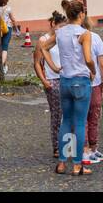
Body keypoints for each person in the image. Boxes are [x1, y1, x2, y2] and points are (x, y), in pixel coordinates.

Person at [53, 0, 96, 176]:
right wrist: (92, 71)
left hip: (65, 80)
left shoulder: (60, 32)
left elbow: (42, 46)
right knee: (79, 123)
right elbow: (87, 58)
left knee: (66, 121)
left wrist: (54, 66)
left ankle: (62, 163)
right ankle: (78, 164)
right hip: (81, 81)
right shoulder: (85, 33)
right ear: (81, 14)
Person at [33, 12, 66, 159]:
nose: (62, 29)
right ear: (53, 24)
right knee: (57, 115)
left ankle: (68, 144)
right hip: (53, 80)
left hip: (67, 78)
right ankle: (57, 146)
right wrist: (44, 81)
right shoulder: (43, 40)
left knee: (69, 115)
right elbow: (37, 63)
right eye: (60, 26)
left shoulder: (64, 38)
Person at [83, 11, 103, 164]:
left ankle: (84, 149)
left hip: (79, 82)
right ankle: (93, 148)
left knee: (82, 118)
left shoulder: (74, 38)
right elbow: (102, 64)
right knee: (93, 117)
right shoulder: (95, 38)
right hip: (94, 83)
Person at [0, 0, 16, 75]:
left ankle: (4, 65)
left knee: (0, 47)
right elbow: (13, 20)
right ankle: (1, 65)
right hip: (7, 29)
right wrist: (16, 28)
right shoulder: (8, 8)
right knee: (5, 48)